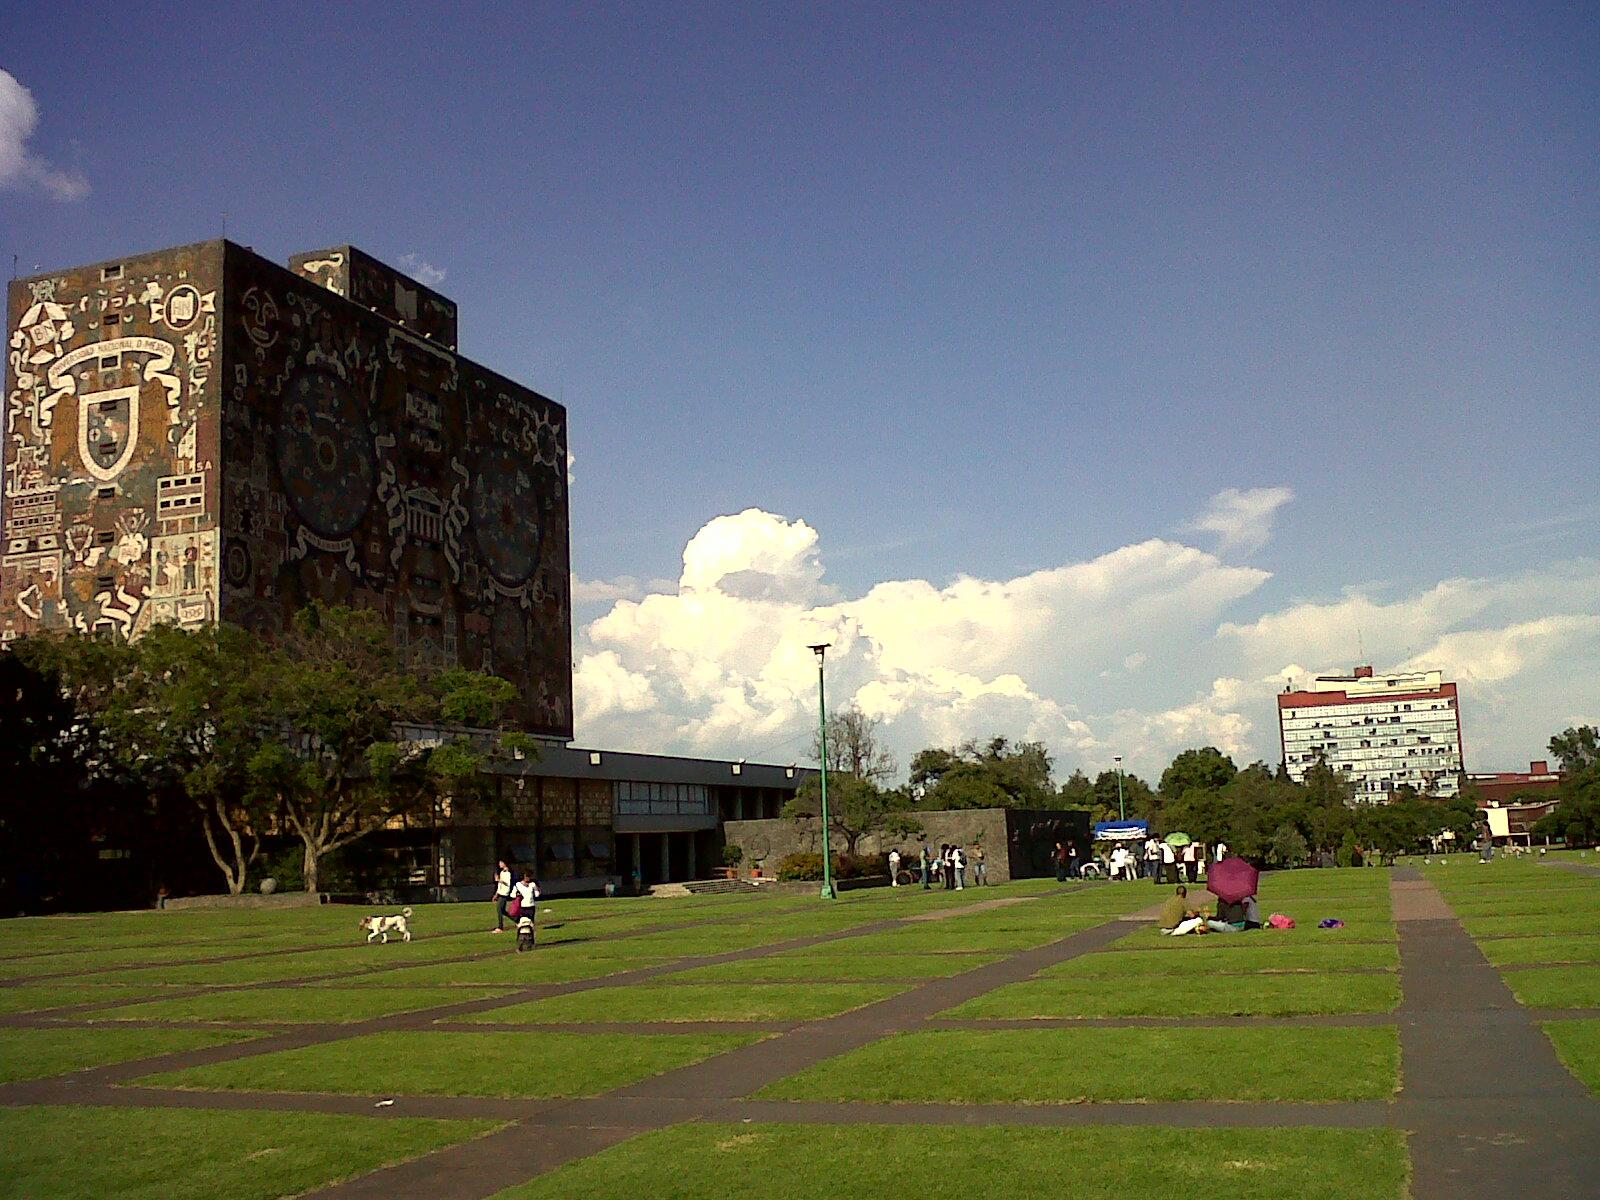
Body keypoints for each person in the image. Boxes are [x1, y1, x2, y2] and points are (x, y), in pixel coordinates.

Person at [491, 858, 513, 932]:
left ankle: (500, 927)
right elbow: (499, 886)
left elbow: (507, 884)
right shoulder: (502, 873)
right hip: (500, 893)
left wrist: (499, 880)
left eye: (501, 863)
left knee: (499, 910)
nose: (499, 864)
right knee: (502, 911)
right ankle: (517, 919)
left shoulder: (508, 873)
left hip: (504, 893)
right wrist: (496, 894)